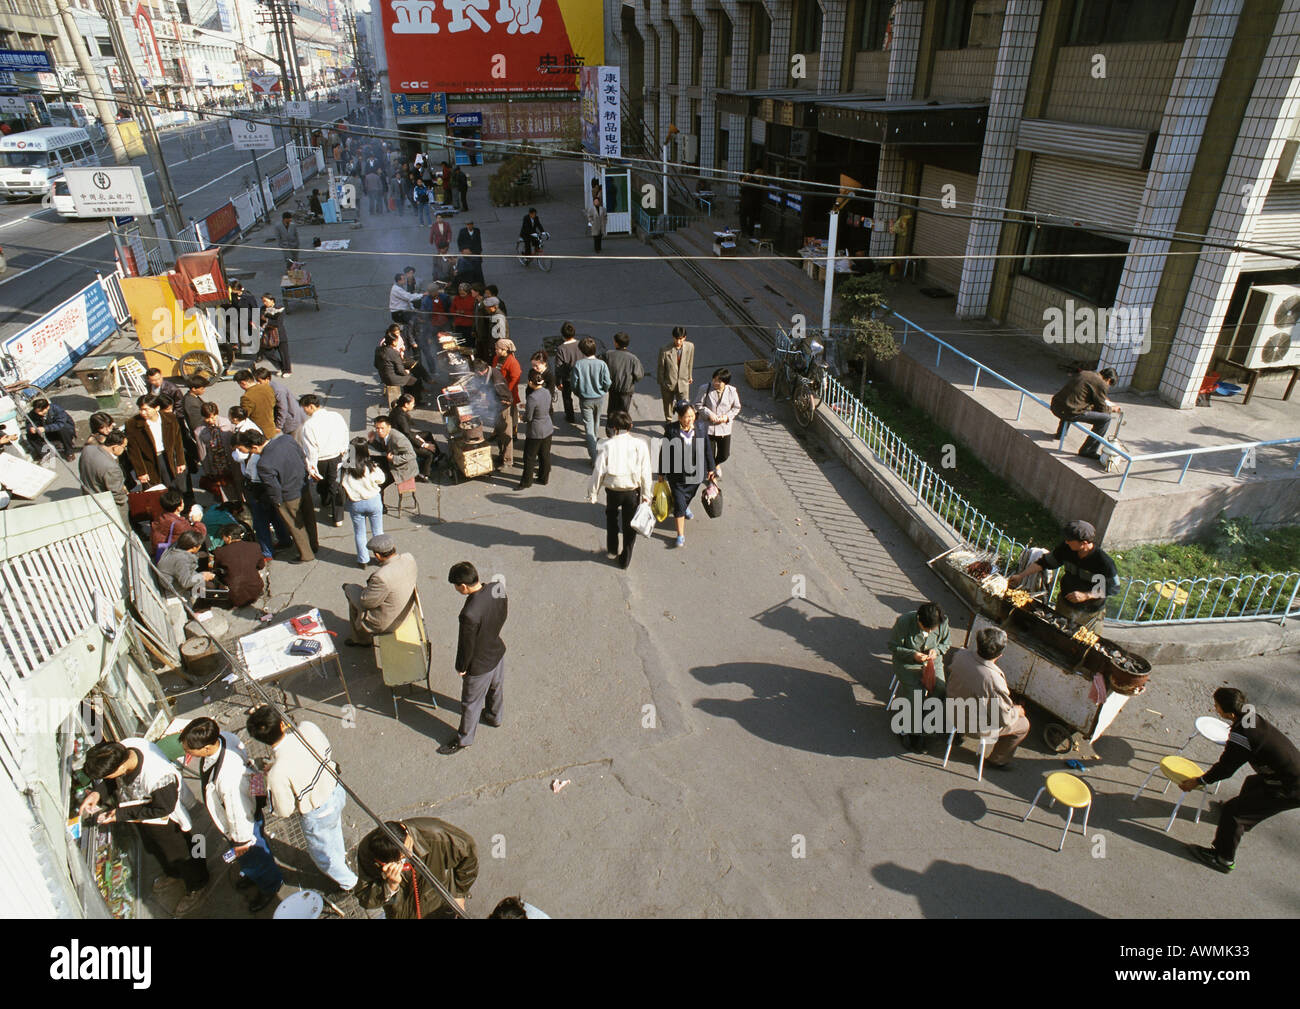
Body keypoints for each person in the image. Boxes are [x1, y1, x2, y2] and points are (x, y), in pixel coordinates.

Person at [79, 739, 210, 915]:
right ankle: (174, 874)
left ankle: (197, 884)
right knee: (155, 848)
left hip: (167, 822)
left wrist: (120, 815)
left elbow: (163, 808)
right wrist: (98, 793)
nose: (108, 779)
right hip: (142, 818)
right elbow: (111, 781)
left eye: (108, 775)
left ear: (119, 769)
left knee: (182, 854)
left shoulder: (157, 776)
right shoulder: (124, 750)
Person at [1181, 687, 1300, 872]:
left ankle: (1223, 858)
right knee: (1252, 784)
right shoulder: (1249, 711)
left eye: (1217, 706)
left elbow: (1225, 768)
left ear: (1228, 712)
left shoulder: (1242, 736)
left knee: (1233, 813)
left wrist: (1198, 781)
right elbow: (1244, 736)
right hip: (1287, 773)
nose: (1215, 709)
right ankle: (1245, 818)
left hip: (1291, 788)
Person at [246, 706, 357, 894]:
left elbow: (284, 810)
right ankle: (340, 856)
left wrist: (269, 777)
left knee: (323, 857)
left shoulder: (277, 774)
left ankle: (349, 883)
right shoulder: (307, 728)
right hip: (336, 791)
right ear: (282, 724)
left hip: (318, 812)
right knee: (334, 831)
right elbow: (324, 751)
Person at [179, 717, 283, 913]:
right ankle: (255, 874)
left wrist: (241, 841)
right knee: (253, 854)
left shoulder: (228, 779)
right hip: (249, 795)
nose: (187, 753)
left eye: (189, 750)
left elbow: (238, 813)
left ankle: (270, 886)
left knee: (254, 854)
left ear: (207, 748)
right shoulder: (225, 738)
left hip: (242, 821)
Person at [440, 561, 508, 756]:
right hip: (497, 650)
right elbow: (503, 614)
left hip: (479, 664)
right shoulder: (497, 588)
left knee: (470, 703)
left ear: (463, 586)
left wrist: (462, 667)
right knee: (496, 688)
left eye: (455, 586)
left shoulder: (469, 614)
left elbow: (466, 645)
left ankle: (464, 739)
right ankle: (495, 717)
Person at [1008, 519, 1119, 634]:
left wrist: (1086, 595)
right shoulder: (1066, 549)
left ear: (1084, 543)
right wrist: (1021, 576)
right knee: (1056, 635)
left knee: (1085, 641)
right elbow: (1044, 562)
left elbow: (1113, 588)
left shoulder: (1104, 563)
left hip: (1090, 613)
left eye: (1070, 540)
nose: (1066, 542)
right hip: (1065, 606)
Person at [355, 818, 478, 919]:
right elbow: (364, 899)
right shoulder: (367, 852)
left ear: (404, 830)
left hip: (437, 903)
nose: (409, 856)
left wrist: (459, 893)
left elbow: (468, 855)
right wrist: (389, 886)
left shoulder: (436, 836)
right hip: (400, 913)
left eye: (407, 849)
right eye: (402, 859)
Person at [945, 626, 1030, 769]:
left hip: (951, 709)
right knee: (1023, 725)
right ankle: (998, 760)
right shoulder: (994, 680)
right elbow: (1004, 719)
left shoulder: (960, 655)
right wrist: (1016, 711)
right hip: (974, 726)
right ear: (1000, 655)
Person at [239, 429, 318, 562]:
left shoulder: (263, 463)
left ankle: (306, 554)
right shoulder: (286, 440)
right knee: (309, 518)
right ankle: (313, 545)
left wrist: (277, 502)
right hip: (302, 486)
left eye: (250, 450)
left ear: (254, 447)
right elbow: (302, 456)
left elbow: (273, 487)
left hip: (288, 496)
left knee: (295, 525)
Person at [587, 411, 653, 569]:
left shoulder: (607, 445)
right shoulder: (640, 444)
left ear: (614, 428)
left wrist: (593, 493)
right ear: (631, 426)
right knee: (630, 525)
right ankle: (626, 558)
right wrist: (646, 494)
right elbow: (646, 471)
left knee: (611, 517)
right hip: (632, 491)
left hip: (613, 490)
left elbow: (599, 471)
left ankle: (612, 548)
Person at [887, 602, 952, 753]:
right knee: (916, 692)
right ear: (918, 620)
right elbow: (893, 646)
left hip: (932, 662)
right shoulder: (904, 622)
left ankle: (923, 725)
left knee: (940, 688)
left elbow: (946, 644)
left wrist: (936, 650)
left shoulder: (943, 622)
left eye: (932, 629)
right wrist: (913, 655)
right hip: (908, 663)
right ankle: (905, 727)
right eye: (926, 628)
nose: (929, 631)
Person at [658, 400, 715, 548]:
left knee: (687, 497)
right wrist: (661, 472)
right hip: (676, 475)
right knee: (679, 503)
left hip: (696, 474)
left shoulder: (701, 428)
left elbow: (708, 449)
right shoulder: (671, 430)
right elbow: (664, 451)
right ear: (680, 417)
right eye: (687, 416)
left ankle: (684, 506)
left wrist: (711, 469)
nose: (690, 419)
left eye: (692, 416)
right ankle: (680, 535)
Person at [343, 533, 418, 645]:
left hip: (386, 623)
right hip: (404, 612)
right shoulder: (409, 558)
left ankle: (360, 639)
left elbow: (367, 603)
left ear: (377, 555)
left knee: (350, 589)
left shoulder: (381, 576)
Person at [299, 394, 349, 524]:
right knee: (335, 484)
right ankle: (338, 517)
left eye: (304, 408)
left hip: (320, 460)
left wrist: (311, 466)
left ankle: (325, 500)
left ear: (311, 406)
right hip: (337, 457)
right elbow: (345, 432)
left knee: (322, 482)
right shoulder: (336, 416)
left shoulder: (309, 425)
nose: (304, 411)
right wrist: (344, 448)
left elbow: (311, 449)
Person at [1050, 366, 1121, 459]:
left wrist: (1101, 398)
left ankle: (1060, 434)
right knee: (1105, 419)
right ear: (1108, 379)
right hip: (1068, 413)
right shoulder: (1101, 384)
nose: (1107, 387)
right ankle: (1088, 450)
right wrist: (1113, 409)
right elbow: (1102, 409)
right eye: (1109, 384)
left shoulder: (1085, 373)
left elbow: (1081, 394)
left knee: (1073, 403)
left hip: (1056, 406)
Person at [125, 394, 186, 490]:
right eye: (141, 409)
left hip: (167, 458)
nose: (143, 413)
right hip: (148, 462)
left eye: (146, 409)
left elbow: (178, 441)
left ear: (157, 408)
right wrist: (141, 472)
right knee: (154, 491)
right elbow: (133, 451)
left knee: (173, 487)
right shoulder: (132, 424)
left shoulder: (170, 418)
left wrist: (180, 461)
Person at [340, 437, 386, 565]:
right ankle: (380, 557)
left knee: (359, 533)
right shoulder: (371, 466)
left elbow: (341, 482)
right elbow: (381, 479)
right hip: (373, 501)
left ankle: (363, 559)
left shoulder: (346, 467)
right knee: (378, 531)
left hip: (356, 503)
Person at [695, 367, 743, 476]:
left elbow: (736, 407)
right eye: (714, 379)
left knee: (724, 455)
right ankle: (711, 475)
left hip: (724, 429)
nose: (715, 383)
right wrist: (709, 414)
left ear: (725, 383)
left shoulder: (732, 391)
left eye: (719, 381)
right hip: (708, 428)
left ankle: (715, 464)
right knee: (709, 454)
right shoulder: (705, 388)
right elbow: (697, 404)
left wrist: (726, 417)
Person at [570, 337, 611, 462]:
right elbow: (608, 382)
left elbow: (574, 384)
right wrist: (603, 390)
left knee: (588, 424)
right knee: (596, 420)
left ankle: (594, 457)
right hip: (599, 397)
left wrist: (579, 393)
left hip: (585, 399)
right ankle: (594, 439)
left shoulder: (579, 364)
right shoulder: (602, 364)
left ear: (582, 351)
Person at [212, 525, 267, 608]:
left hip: (235, 597)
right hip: (256, 590)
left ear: (229, 537)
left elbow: (216, 570)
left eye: (223, 537)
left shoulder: (220, 552)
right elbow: (261, 566)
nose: (223, 540)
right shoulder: (255, 546)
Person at [517, 368, 554, 490]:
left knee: (529, 457)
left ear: (530, 382)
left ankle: (526, 482)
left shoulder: (532, 397)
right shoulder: (546, 392)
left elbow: (528, 417)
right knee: (545, 454)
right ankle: (544, 478)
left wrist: (521, 417)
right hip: (547, 427)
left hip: (535, 431)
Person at [80, 428, 129, 518]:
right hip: (107, 505)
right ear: (115, 447)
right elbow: (117, 495)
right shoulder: (112, 468)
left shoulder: (87, 450)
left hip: (89, 498)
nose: (124, 450)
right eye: (124, 447)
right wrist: (126, 498)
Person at [157, 530, 217, 603]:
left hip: (166, 577)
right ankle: (200, 608)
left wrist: (198, 555)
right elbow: (186, 582)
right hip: (172, 586)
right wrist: (203, 576)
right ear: (194, 547)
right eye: (200, 545)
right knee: (209, 586)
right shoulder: (181, 560)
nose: (201, 546)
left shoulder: (175, 546)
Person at [391, 394, 439, 481]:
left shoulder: (398, 409)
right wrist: (424, 445)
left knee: (427, 434)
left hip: (405, 436)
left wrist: (420, 439)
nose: (414, 405)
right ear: (406, 404)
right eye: (412, 403)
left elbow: (408, 433)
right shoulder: (400, 417)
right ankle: (424, 474)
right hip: (402, 442)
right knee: (429, 454)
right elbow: (408, 435)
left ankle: (437, 456)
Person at [602, 332, 645, 428]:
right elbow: (639, 376)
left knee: (612, 411)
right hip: (626, 391)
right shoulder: (633, 359)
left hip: (613, 389)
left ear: (616, 343)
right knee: (623, 412)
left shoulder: (608, 355)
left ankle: (610, 430)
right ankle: (621, 429)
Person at [151, 488, 207, 558]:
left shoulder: (160, 516)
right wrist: (197, 521)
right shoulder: (179, 524)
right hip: (172, 555)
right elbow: (199, 535)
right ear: (179, 508)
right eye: (182, 502)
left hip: (159, 551)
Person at [375, 327, 425, 405]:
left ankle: (406, 397)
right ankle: (416, 402)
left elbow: (375, 364)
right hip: (392, 378)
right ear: (394, 342)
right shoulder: (394, 353)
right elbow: (400, 370)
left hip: (383, 376)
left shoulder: (378, 349)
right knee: (415, 381)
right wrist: (407, 373)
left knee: (408, 380)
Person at [370, 414, 418, 490]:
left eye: (382, 428)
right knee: (371, 460)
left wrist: (393, 458)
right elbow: (383, 449)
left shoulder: (398, 439)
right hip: (391, 460)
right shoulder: (384, 434)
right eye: (377, 428)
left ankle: (380, 501)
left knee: (378, 485)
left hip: (402, 469)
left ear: (389, 427)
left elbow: (412, 455)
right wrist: (372, 441)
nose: (379, 431)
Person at [657, 327, 695, 421]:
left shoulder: (690, 347)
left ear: (684, 337)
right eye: (676, 338)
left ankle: (682, 421)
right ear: (673, 337)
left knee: (684, 405)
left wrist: (689, 376)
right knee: (668, 404)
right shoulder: (665, 350)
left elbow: (690, 363)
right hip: (668, 382)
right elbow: (661, 368)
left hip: (683, 382)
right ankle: (669, 420)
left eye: (681, 339)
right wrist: (662, 383)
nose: (678, 341)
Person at [256, 367, 304, 436]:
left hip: (291, 420)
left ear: (267, 379)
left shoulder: (278, 390)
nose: (257, 383)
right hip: (287, 419)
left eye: (259, 381)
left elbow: (283, 408)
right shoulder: (266, 387)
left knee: (294, 441)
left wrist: (279, 426)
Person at [235, 369, 279, 438]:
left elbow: (244, 415)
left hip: (258, 433)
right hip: (271, 429)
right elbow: (273, 403)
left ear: (243, 383)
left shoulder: (246, 397)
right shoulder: (267, 387)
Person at [256, 294, 291, 376]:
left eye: (266, 301)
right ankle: (280, 367)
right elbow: (260, 319)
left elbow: (277, 323)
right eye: (263, 301)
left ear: (272, 301)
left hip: (279, 334)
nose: (264, 303)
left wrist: (266, 320)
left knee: (283, 353)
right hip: (268, 335)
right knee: (268, 353)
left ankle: (287, 370)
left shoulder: (279, 308)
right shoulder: (263, 309)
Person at [554, 322, 582, 424]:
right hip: (581, 376)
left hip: (567, 378)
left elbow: (558, 367)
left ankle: (570, 416)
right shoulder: (581, 344)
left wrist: (558, 381)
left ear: (563, 335)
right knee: (582, 395)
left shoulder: (561, 348)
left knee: (567, 397)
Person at [226, 280, 260, 359]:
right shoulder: (233, 295)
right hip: (239, 319)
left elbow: (254, 308)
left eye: (233, 289)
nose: (232, 291)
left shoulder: (248, 296)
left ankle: (256, 353)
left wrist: (254, 321)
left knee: (252, 336)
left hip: (249, 319)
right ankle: (245, 353)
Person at [456, 220, 484, 285]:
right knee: (468, 268)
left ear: (472, 225)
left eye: (470, 224)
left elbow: (478, 242)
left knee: (478, 269)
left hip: (475, 253)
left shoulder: (477, 231)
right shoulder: (462, 231)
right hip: (466, 253)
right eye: (468, 225)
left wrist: (477, 252)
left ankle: (480, 283)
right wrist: (463, 250)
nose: (469, 226)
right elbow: (459, 242)